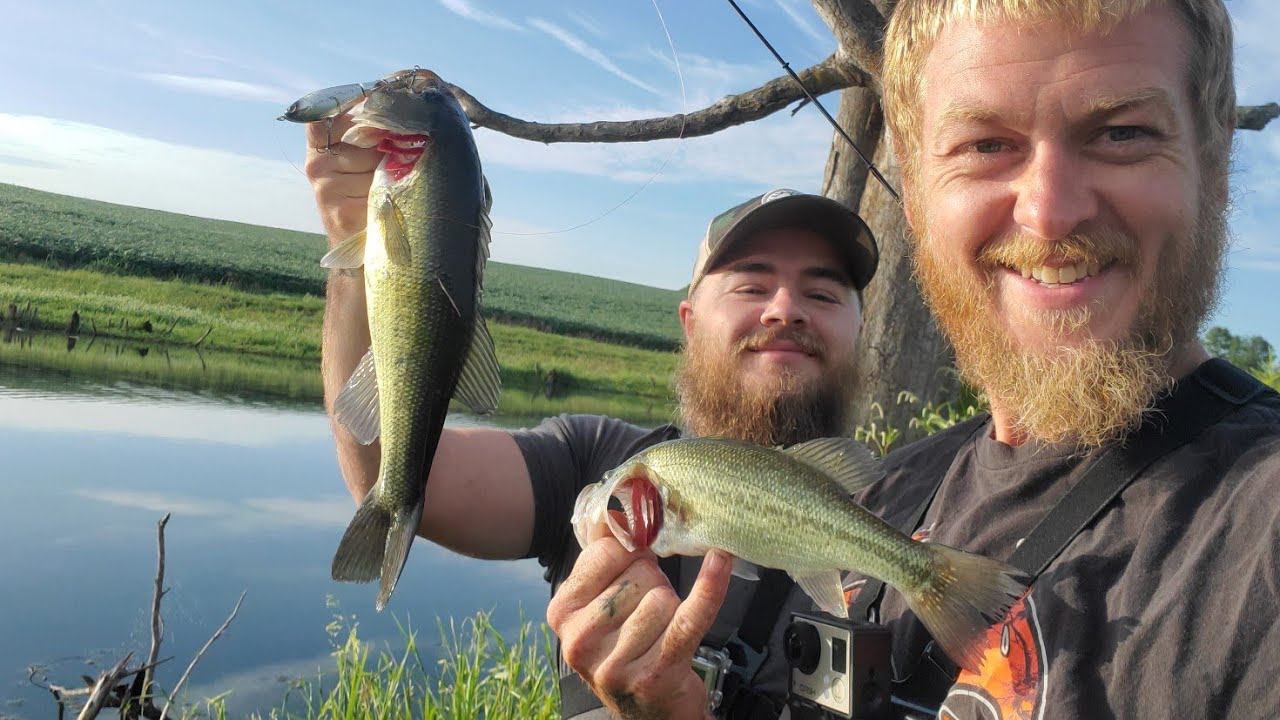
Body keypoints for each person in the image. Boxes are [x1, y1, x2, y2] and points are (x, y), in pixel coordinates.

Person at [306, 108, 880, 719]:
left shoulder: (929, 514)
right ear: (689, 326)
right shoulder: (599, 460)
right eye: (751, 285)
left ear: (861, 333)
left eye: (821, 293)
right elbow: (395, 478)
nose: (785, 309)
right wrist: (360, 258)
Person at [849, 0, 1279, 717]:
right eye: (986, 144)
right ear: (917, 197)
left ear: (1217, 165)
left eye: (1121, 132)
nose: (1049, 214)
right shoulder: (888, 492)